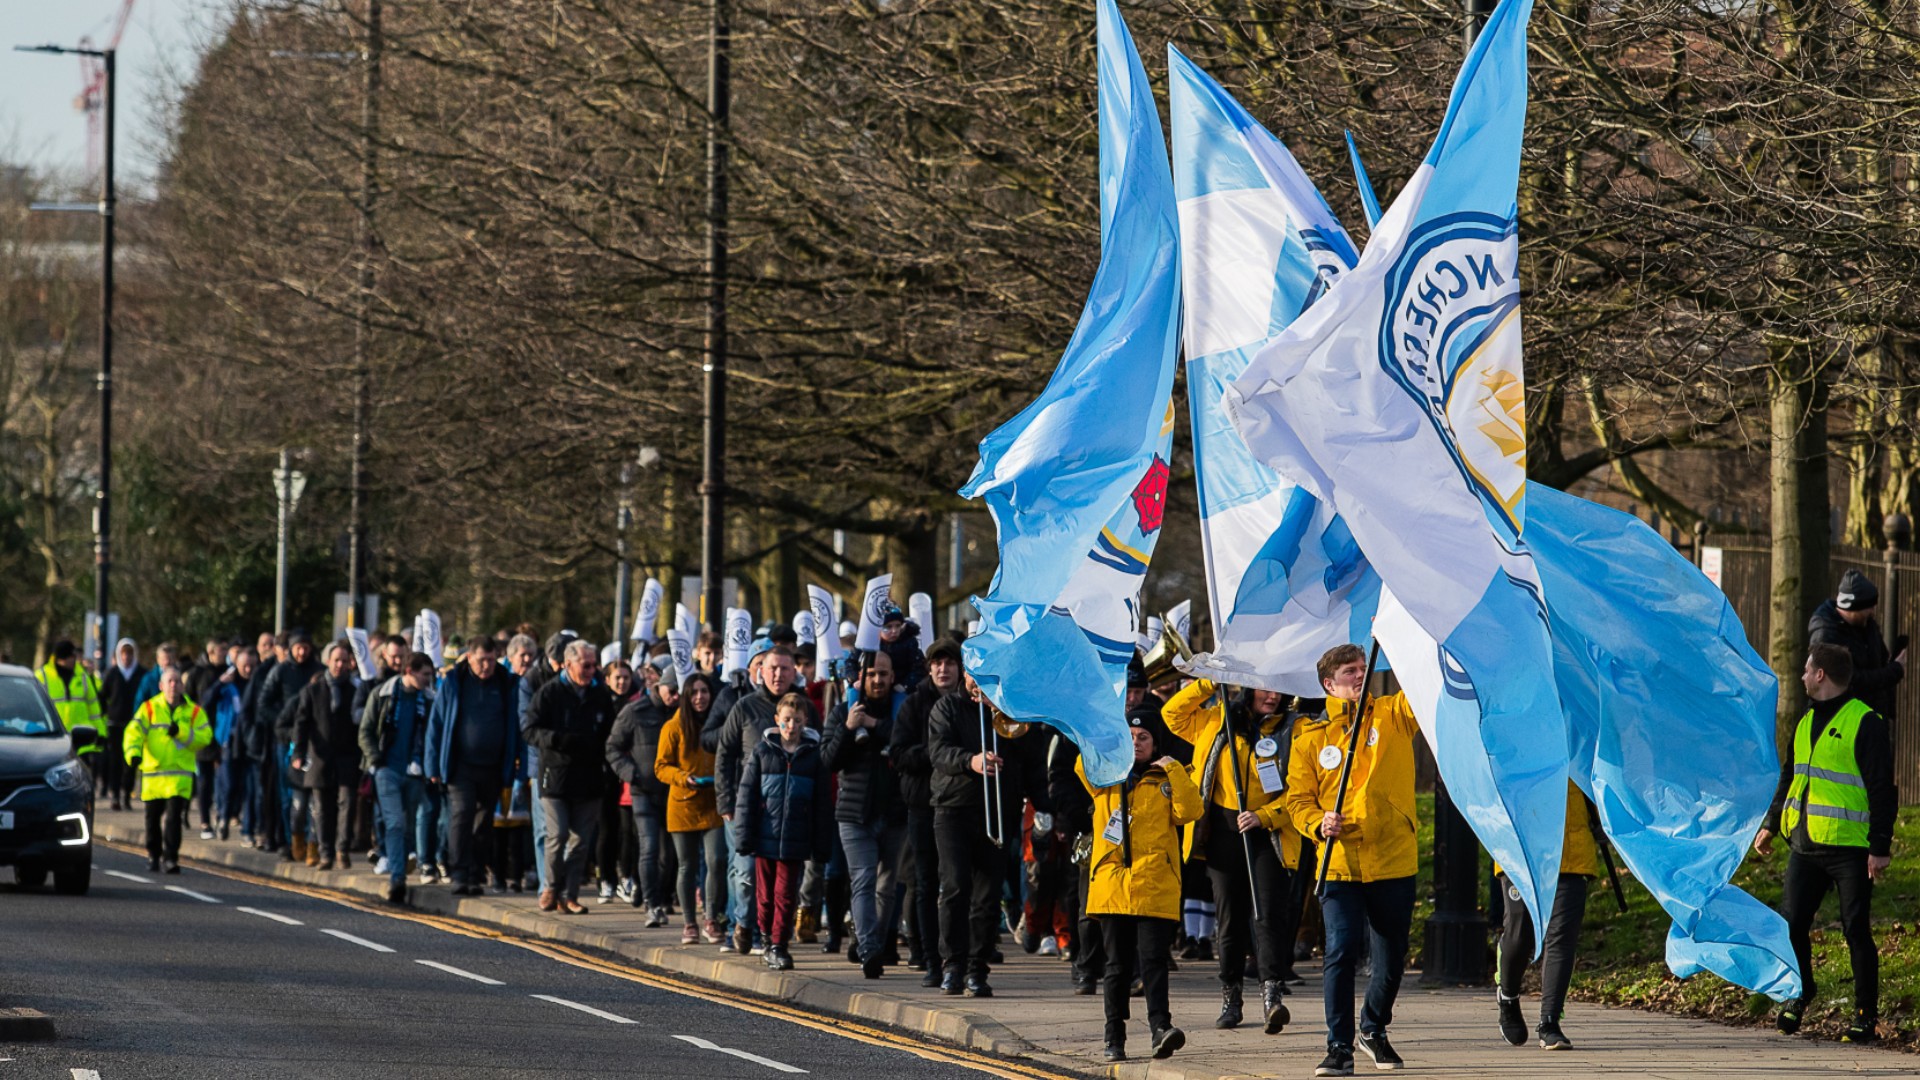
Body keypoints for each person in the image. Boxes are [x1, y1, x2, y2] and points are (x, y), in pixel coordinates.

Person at [1286, 644, 1421, 1076]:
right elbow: (1297, 801)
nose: (1361, 675)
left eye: (1363, 668)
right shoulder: (1309, 738)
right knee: (1341, 951)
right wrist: (1317, 822)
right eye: (1350, 671)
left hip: (1393, 858)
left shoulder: (1394, 714)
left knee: (1391, 958)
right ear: (1329, 684)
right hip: (1339, 863)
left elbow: (1424, 683)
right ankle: (1339, 1045)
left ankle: (1373, 1029)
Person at [1754, 643, 1897, 1044]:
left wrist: (1879, 846)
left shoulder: (1865, 722)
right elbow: (1790, 775)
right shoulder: (1804, 721)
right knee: (1791, 924)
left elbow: (1882, 789)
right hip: (1805, 845)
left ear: (1821, 675)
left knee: (1856, 930)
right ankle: (1801, 992)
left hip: (1850, 848)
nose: (1801, 676)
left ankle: (1864, 1015)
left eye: (1806, 670)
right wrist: (1771, 824)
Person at [1163, 676, 1302, 1035]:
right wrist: (1212, 680)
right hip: (1223, 833)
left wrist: (1265, 816)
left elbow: (1302, 789)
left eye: (1277, 688)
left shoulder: (1293, 729)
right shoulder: (1216, 719)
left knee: (1268, 915)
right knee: (1229, 919)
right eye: (1264, 687)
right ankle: (1231, 997)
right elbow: (1172, 714)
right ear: (1247, 688)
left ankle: (1272, 995)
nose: (1273, 695)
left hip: (1267, 833)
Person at [1081, 716, 1202, 1062]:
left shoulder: (1167, 778)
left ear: (1155, 744)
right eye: (1130, 735)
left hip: (1154, 884)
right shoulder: (1104, 776)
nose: (1136, 742)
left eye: (1144, 736)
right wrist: (1107, 739)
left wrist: (1173, 769)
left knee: (1154, 962)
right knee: (1117, 966)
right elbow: (1080, 760)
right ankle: (1114, 1035)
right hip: (1113, 886)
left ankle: (1161, 1028)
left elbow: (1190, 810)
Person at [927, 674, 1039, 998]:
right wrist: (970, 761)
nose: (978, 681)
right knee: (955, 887)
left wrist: (1002, 712)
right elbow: (938, 751)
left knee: (988, 896)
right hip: (953, 808)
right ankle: (952, 965)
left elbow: (1030, 754)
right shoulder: (947, 707)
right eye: (974, 674)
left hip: (999, 809)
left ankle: (977, 968)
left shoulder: (1009, 707)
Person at [713, 644, 812, 953]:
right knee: (744, 871)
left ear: (793, 672)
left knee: (781, 882)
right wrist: (725, 801)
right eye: (772, 668)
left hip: (788, 811)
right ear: (760, 671)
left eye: (784, 668)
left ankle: (766, 934)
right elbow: (724, 755)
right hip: (745, 806)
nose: (778, 674)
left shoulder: (804, 708)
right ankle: (743, 924)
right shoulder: (744, 707)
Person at [822, 649, 910, 978]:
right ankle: (870, 949)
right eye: (871, 674)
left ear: (892, 677)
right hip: (854, 814)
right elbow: (829, 760)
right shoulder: (842, 711)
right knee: (863, 880)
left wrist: (874, 725)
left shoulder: (904, 710)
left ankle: (872, 940)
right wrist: (848, 728)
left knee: (887, 886)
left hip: (894, 812)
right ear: (860, 677)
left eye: (883, 674)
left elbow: (908, 744)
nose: (877, 680)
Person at [735, 692, 834, 971]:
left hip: (795, 839)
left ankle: (779, 944)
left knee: (786, 894)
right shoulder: (762, 751)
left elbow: (822, 804)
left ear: (805, 722)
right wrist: (744, 836)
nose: (792, 726)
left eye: (797, 721)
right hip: (764, 837)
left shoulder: (813, 757)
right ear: (777, 719)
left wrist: (821, 844)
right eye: (787, 720)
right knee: (765, 896)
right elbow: (747, 796)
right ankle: (767, 937)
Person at [1494, 782, 1598, 1050]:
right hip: (1520, 848)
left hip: (1571, 848)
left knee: (1561, 937)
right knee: (1520, 935)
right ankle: (1508, 996)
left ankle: (1549, 1022)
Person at [522, 639, 617, 915]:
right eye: (585, 665)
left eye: (593, 665)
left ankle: (569, 895)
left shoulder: (600, 694)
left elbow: (610, 732)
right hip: (556, 776)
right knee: (558, 834)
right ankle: (550, 887)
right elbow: (529, 729)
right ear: (568, 664)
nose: (591, 670)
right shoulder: (549, 693)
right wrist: (557, 740)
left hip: (589, 778)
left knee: (580, 842)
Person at [425, 636, 525, 896]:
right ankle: (459, 872)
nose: (487, 666)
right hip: (460, 765)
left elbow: (517, 727)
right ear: (469, 657)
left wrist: (519, 766)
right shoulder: (454, 682)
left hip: (493, 766)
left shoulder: (506, 683)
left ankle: (475, 873)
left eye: (491, 660)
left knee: (483, 823)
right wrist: (432, 765)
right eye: (482, 660)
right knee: (461, 815)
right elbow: (436, 724)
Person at [892, 637, 963, 984]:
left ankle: (957, 956)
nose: (943, 669)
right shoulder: (914, 704)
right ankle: (929, 957)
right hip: (923, 804)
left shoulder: (969, 704)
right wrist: (936, 753)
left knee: (957, 884)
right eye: (937, 663)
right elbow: (899, 753)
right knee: (925, 882)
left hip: (959, 805)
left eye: (949, 663)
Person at [361, 652, 437, 903]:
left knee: (408, 827)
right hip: (387, 770)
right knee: (394, 823)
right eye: (425, 674)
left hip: (414, 773)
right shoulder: (382, 694)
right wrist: (376, 760)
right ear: (409, 671)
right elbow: (366, 730)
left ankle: (400, 869)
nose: (428, 679)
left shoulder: (428, 700)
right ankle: (397, 878)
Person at [657, 671, 726, 944]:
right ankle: (689, 923)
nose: (700, 697)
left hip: (713, 802)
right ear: (685, 696)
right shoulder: (673, 727)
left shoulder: (719, 724)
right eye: (694, 692)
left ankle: (711, 918)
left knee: (716, 861)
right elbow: (661, 767)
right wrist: (683, 777)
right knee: (687, 866)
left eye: (704, 691)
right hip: (683, 804)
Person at [124, 666, 212, 873]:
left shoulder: (194, 712)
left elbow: (205, 737)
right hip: (153, 775)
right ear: (161, 686)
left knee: (173, 819)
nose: (173, 685)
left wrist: (181, 732)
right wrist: (133, 754)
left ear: (182, 686)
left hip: (179, 776)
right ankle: (153, 855)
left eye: (177, 681)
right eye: (169, 681)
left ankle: (171, 858)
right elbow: (133, 733)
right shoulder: (149, 708)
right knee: (152, 819)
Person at [608, 663, 677, 924]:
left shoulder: (682, 713)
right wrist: (632, 774)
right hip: (643, 791)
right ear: (659, 687)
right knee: (649, 848)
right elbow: (613, 747)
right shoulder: (635, 711)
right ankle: (652, 903)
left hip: (674, 792)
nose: (675, 696)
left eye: (680, 692)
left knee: (669, 854)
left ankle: (662, 897)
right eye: (671, 690)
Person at [291, 642, 363, 870]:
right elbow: (301, 723)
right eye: (336, 661)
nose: (340, 665)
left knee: (347, 803)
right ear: (328, 662)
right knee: (322, 808)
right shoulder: (313, 690)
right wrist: (299, 752)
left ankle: (342, 849)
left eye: (344, 661)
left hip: (347, 757)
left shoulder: (356, 691)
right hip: (320, 757)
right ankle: (325, 853)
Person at [1807, 569, 1906, 719]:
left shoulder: (1867, 626)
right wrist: (1894, 671)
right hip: (1844, 719)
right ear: (1853, 607)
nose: (1872, 612)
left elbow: (1879, 661)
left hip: (1871, 715)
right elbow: (1851, 680)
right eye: (1869, 607)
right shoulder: (1826, 635)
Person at [594, 659, 641, 904]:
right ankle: (606, 880)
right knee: (606, 830)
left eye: (626, 678)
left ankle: (627, 877)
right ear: (607, 680)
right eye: (617, 678)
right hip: (604, 775)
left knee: (627, 831)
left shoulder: (636, 703)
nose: (622, 682)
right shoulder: (600, 702)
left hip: (626, 774)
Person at [211, 646, 262, 842]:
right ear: (236, 665)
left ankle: (248, 830)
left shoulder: (259, 684)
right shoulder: (228, 685)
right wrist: (219, 683)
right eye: (244, 666)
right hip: (230, 741)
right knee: (230, 785)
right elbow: (206, 702)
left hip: (251, 741)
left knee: (251, 789)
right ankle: (224, 816)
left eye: (251, 666)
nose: (248, 670)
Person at [38, 639, 105, 764]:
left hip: (83, 742)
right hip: (54, 741)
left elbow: (94, 709)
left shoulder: (82, 676)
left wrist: (101, 733)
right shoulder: (42, 676)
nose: (74, 659)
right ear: (61, 658)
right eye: (71, 656)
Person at [100, 637, 146, 811]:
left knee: (131, 761)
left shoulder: (141, 673)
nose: (127, 658)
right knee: (115, 761)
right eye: (124, 654)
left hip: (134, 724)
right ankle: (115, 795)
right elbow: (102, 696)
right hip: (114, 723)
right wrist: (106, 713)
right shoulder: (112, 673)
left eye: (130, 654)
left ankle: (127, 793)